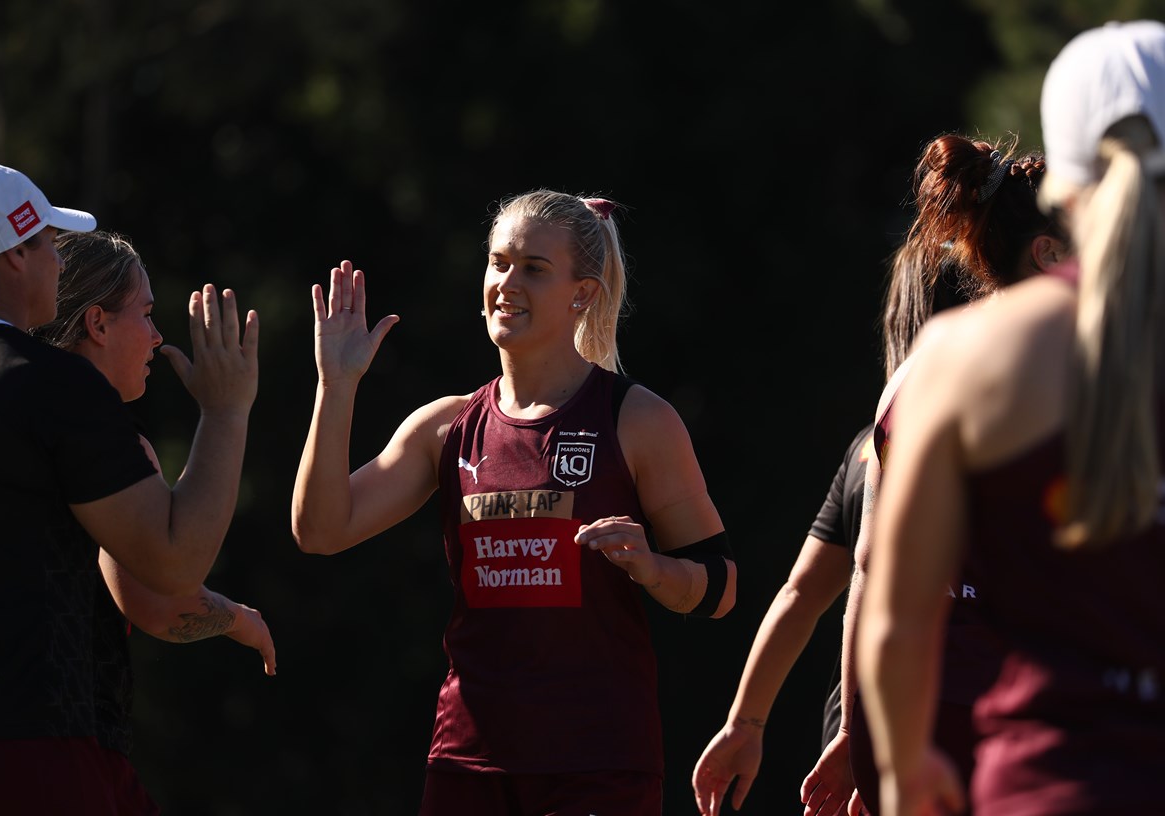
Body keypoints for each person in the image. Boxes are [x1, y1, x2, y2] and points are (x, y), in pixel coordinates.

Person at [291, 188, 737, 814]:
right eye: (499, 263)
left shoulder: (636, 418)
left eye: (534, 268)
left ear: (583, 293)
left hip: (598, 766)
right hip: (469, 761)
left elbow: (721, 586)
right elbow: (320, 530)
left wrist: (653, 568)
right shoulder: (447, 427)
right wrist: (336, 386)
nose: (507, 283)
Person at [856, 19, 1165, 816]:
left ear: (1066, 183)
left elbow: (894, 622)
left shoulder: (963, 357)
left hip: (1043, 787)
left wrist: (905, 769)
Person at [0, 161, 259, 815]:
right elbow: (172, 567)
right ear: (14, 256)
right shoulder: (52, 385)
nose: (58, 261)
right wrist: (227, 410)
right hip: (26, 744)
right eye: (47, 243)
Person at [804, 133, 1070, 816]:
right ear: (1048, 253)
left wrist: (857, 730)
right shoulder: (1086, 371)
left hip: (912, 716)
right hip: (1024, 715)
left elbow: (870, 566)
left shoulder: (921, 369)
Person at [28, 228, 276, 812]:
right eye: (145, 313)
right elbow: (158, 602)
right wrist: (241, 620)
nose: (158, 336)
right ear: (97, 323)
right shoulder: (106, 442)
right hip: (65, 742)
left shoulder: (6, 413)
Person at [691, 420, 874, 816]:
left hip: (867, 736)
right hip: (896, 732)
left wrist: (745, 722)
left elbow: (801, 594)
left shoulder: (869, 443)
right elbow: (803, 593)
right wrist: (745, 723)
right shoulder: (878, 444)